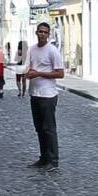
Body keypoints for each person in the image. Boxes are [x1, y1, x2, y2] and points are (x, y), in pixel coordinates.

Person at [26, 22, 65, 172]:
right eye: (40, 31)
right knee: (39, 128)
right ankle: (43, 158)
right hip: (34, 93)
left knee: (49, 128)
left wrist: (39, 73)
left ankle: (53, 160)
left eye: (45, 32)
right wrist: (28, 73)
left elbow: (60, 73)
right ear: (36, 33)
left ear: (48, 35)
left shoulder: (52, 51)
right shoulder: (32, 49)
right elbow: (31, 67)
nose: (42, 34)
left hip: (48, 95)